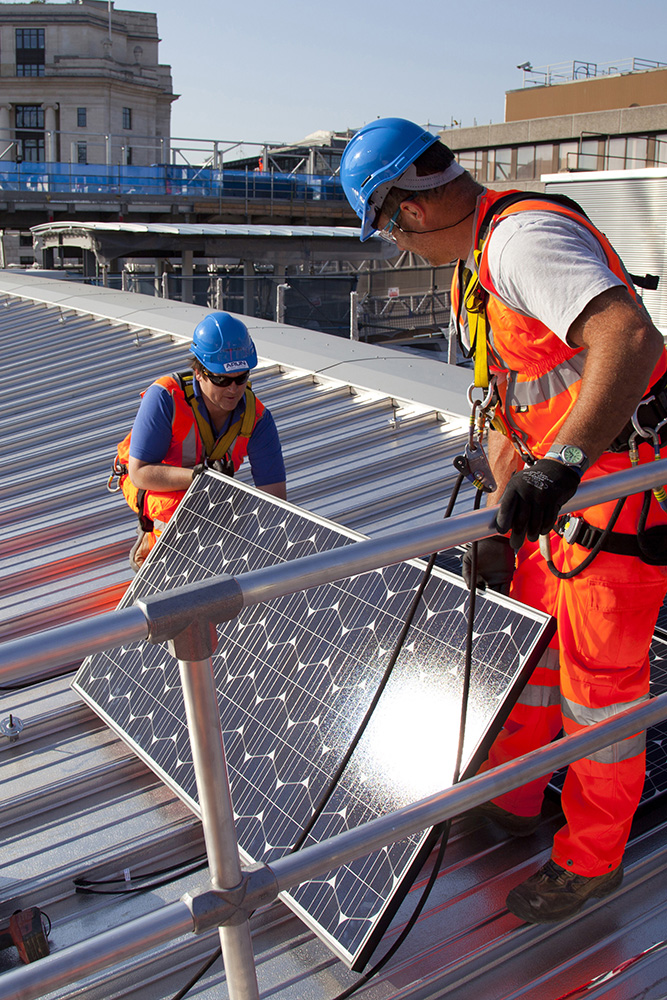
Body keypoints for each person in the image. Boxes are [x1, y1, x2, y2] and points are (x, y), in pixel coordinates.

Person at [340, 118, 667, 923]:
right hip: (554, 510)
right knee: (534, 660)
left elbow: (627, 336)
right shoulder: (475, 266)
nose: (395, 246)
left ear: (405, 209)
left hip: (609, 505)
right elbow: (504, 410)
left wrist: (565, 464)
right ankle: (516, 797)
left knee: (602, 701)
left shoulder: (523, 241)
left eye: (384, 229)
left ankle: (589, 863)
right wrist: (499, 519)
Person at [114, 311, 286, 571]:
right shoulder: (165, 398)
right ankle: (156, 561)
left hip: (209, 487)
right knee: (177, 512)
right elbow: (140, 473)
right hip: (156, 484)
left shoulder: (257, 418)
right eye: (221, 379)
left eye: (241, 378)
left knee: (232, 510)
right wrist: (199, 477)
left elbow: (275, 499)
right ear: (198, 372)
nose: (233, 389)